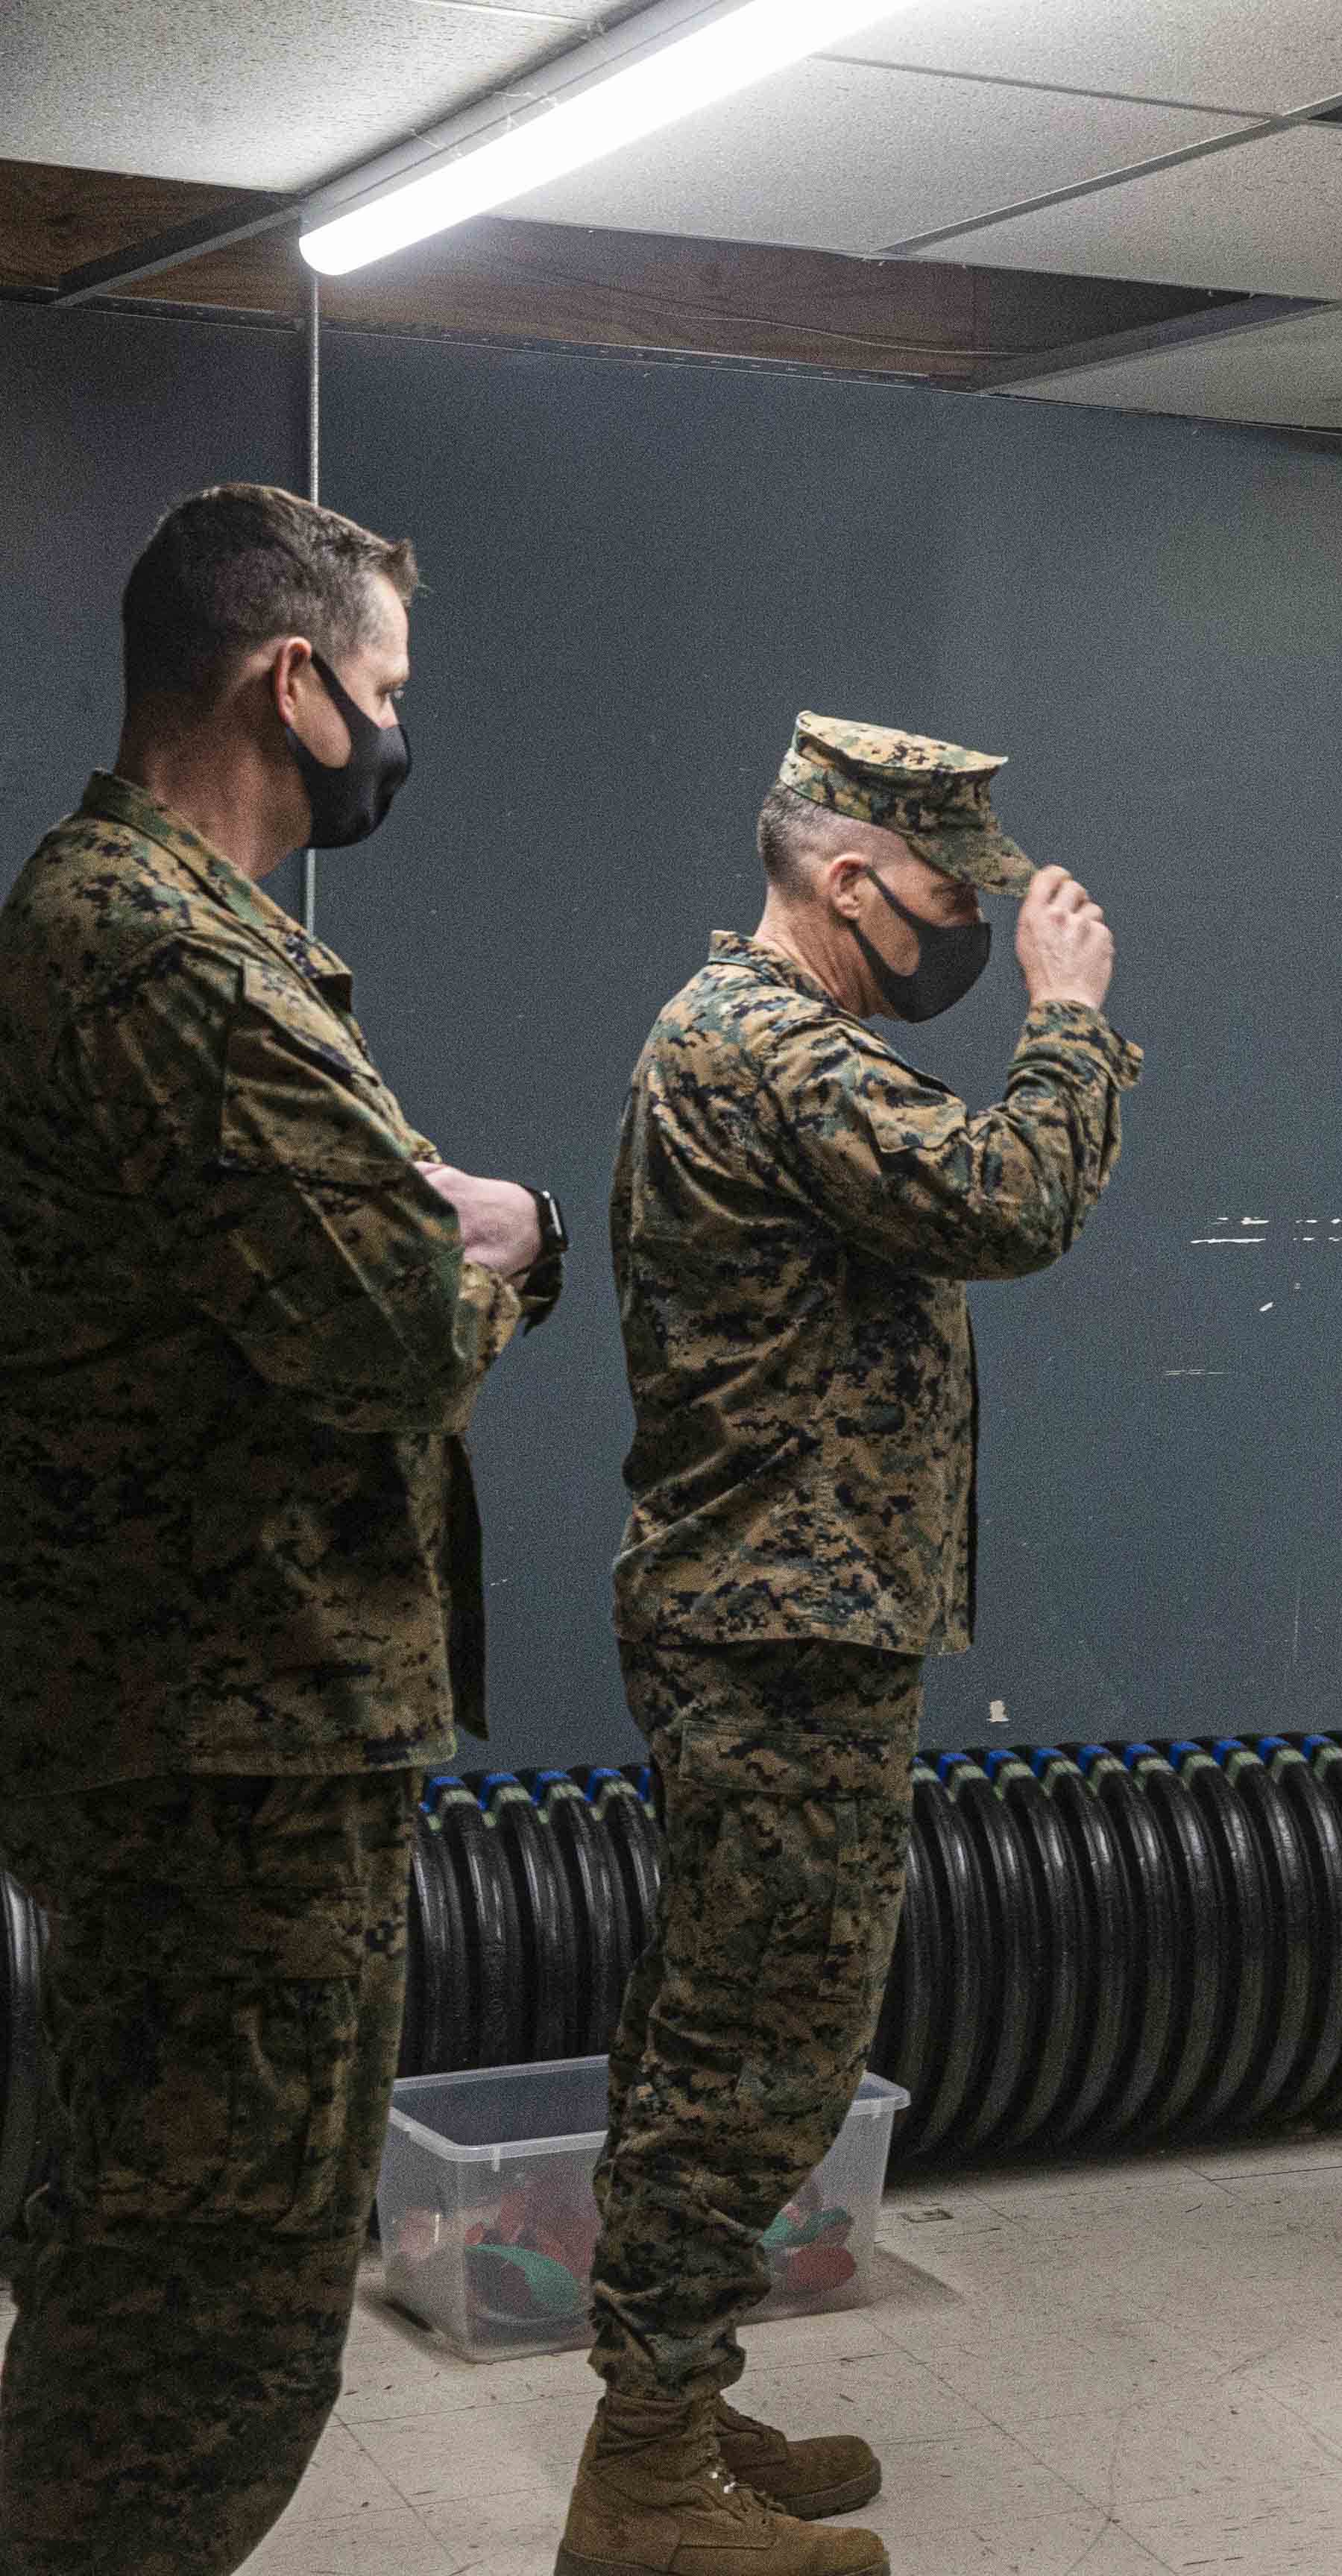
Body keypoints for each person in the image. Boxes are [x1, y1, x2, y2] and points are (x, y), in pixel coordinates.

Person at [0, 483, 556, 2576]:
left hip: (185, 1736)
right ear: (292, 682)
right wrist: (519, 1244)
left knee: (134, 2273)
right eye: (385, 692)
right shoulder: (169, 963)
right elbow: (394, 1320)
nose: (397, 734)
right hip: (229, 1756)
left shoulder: (126, 930)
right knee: (205, 2341)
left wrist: (442, 1241)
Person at [557, 715, 1135, 2576]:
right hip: (779, 1626)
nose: (971, 928)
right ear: (849, 875)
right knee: (759, 2046)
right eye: (952, 899)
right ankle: (646, 2478)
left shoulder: (754, 1040)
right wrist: (1066, 1017)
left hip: (788, 1614)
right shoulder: (770, 1046)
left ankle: (672, 2402)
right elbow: (1013, 1201)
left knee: (721, 2027)